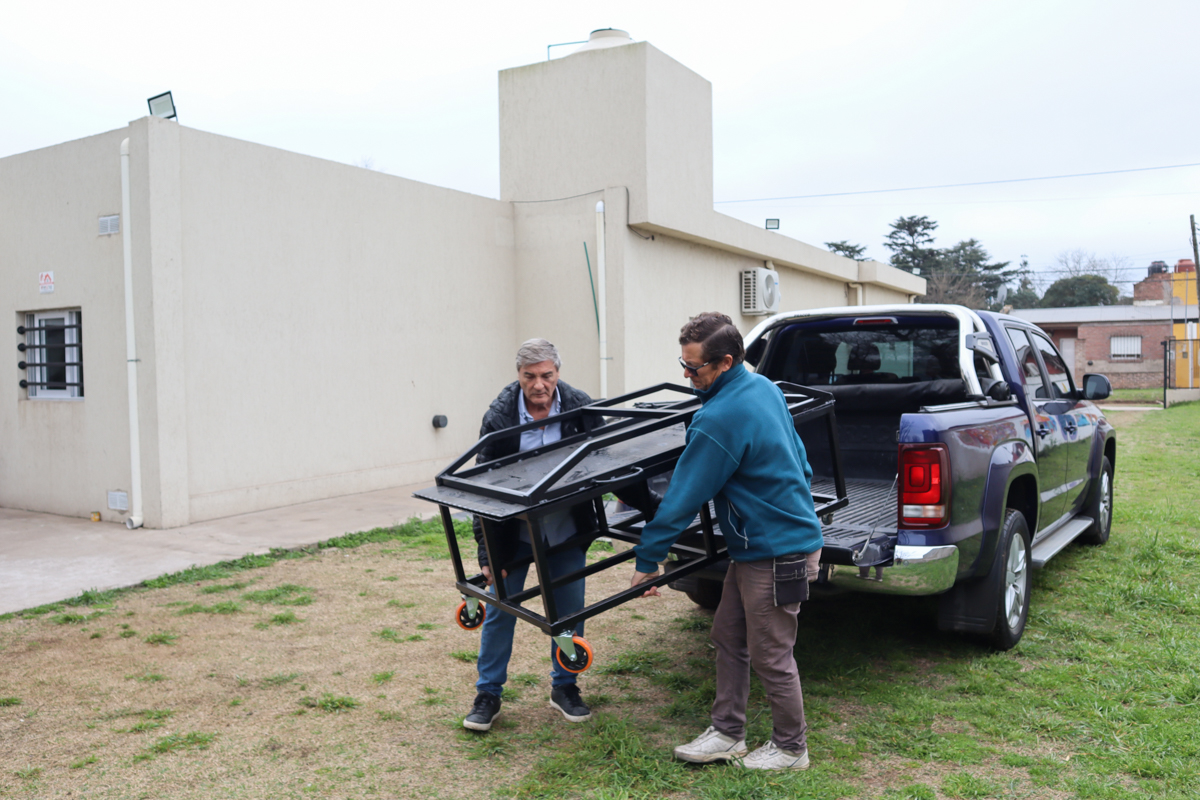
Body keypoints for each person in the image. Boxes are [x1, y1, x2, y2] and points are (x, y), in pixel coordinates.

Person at [630, 312, 824, 771]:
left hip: (777, 551)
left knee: (771, 652)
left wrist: (649, 558)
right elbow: (800, 459)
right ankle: (727, 733)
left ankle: (791, 748)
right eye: (683, 363)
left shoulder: (720, 418)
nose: (686, 374)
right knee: (728, 635)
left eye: (693, 367)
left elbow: (681, 498)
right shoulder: (764, 388)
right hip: (759, 544)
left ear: (725, 362)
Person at [463, 338, 598, 732]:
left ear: (558, 372)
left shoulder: (578, 405)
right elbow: (480, 488)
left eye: (547, 376)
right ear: (518, 376)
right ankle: (488, 694)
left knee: (570, 612)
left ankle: (565, 687)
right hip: (513, 532)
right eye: (530, 377)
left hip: (564, 527)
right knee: (500, 610)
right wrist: (488, 555)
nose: (539, 385)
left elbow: (605, 458)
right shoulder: (500, 417)